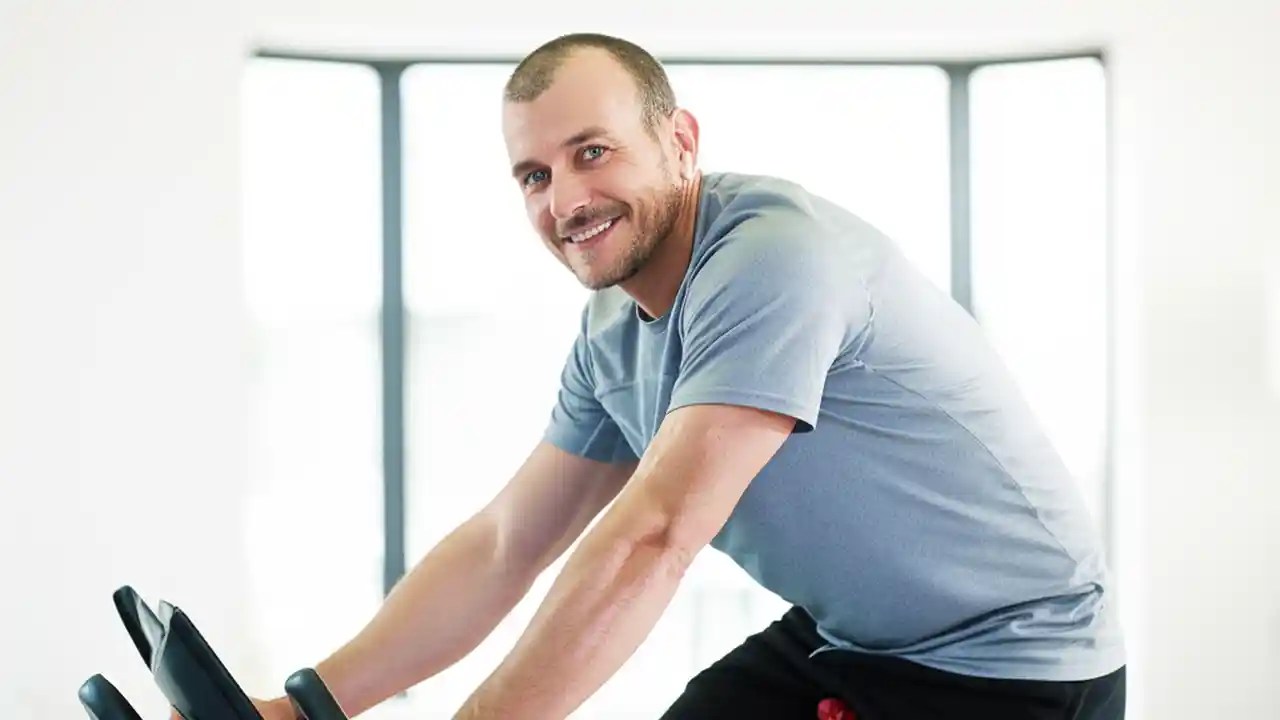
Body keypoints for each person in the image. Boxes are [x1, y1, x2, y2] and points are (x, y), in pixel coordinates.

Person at [230, 33, 1127, 720]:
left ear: (680, 141)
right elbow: (507, 543)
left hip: (1013, 664)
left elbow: (655, 538)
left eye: (593, 151)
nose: (566, 201)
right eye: (534, 175)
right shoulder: (613, 330)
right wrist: (310, 704)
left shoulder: (774, 259)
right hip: (854, 635)